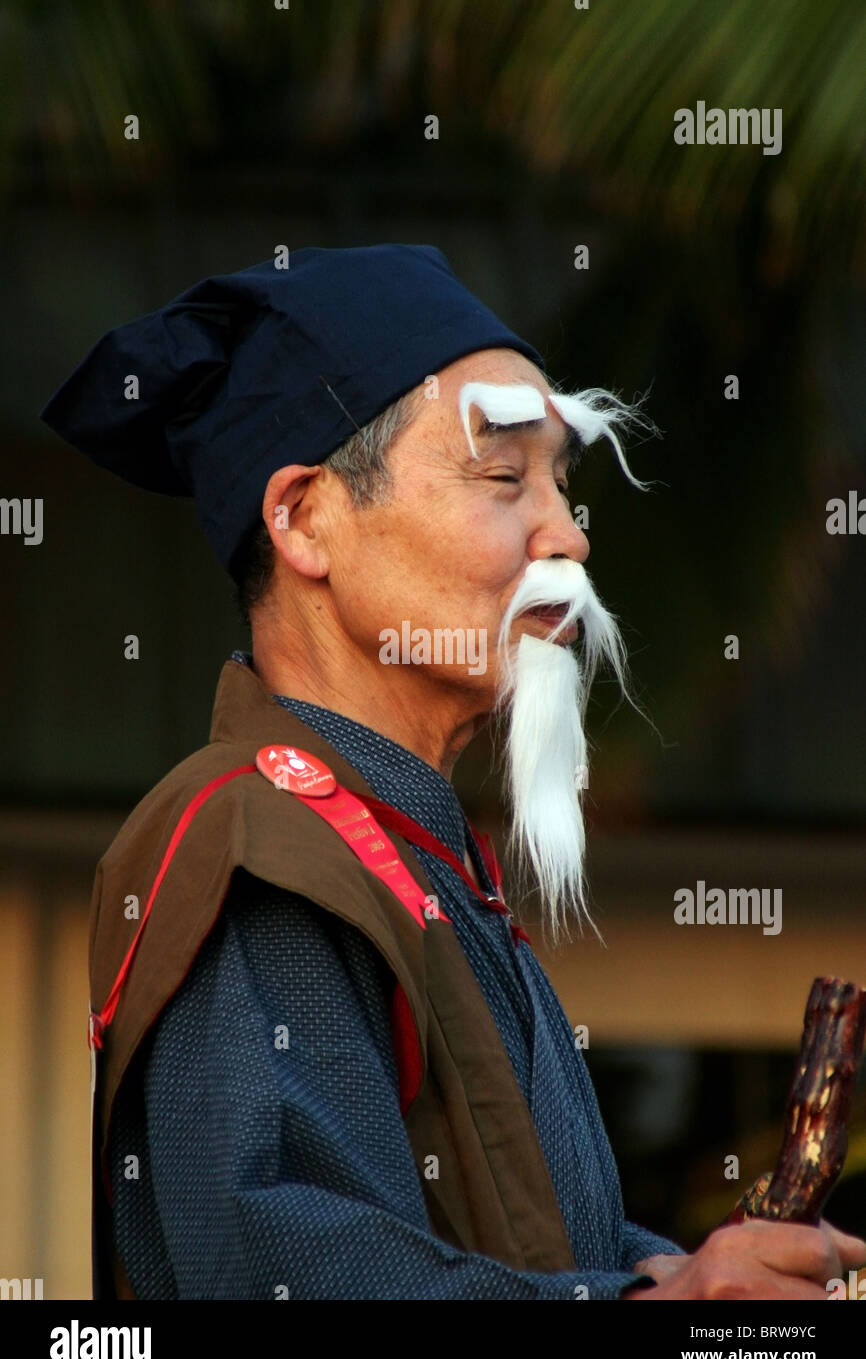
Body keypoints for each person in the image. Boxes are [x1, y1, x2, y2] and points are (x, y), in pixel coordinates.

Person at [40, 244, 866, 1300]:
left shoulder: (420, 862)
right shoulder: (254, 843)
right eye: (500, 478)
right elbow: (290, 1274)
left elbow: (527, 1251)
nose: (565, 530)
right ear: (302, 518)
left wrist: (677, 1276)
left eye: (561, 484)